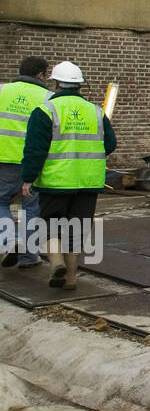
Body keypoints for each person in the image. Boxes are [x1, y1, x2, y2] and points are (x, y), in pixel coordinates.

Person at [21, 61, 114, 289]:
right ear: (79, 85)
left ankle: (56, 263)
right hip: (88, 182)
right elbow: (110, 144)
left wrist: (28, 178)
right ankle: (71, 277)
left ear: (55, 83)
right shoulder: (95, 111)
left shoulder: (45, 111)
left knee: (50, 224)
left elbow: (35, 150)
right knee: (77, 228)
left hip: (56, 182)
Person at [0, 57, 50, 269]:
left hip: (3, 160)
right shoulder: (49, 97)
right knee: (32, 207)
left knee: (1, 202)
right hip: (35, 162)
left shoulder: (2, 90)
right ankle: (29, 256)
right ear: (40, 74)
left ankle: (9, 241)